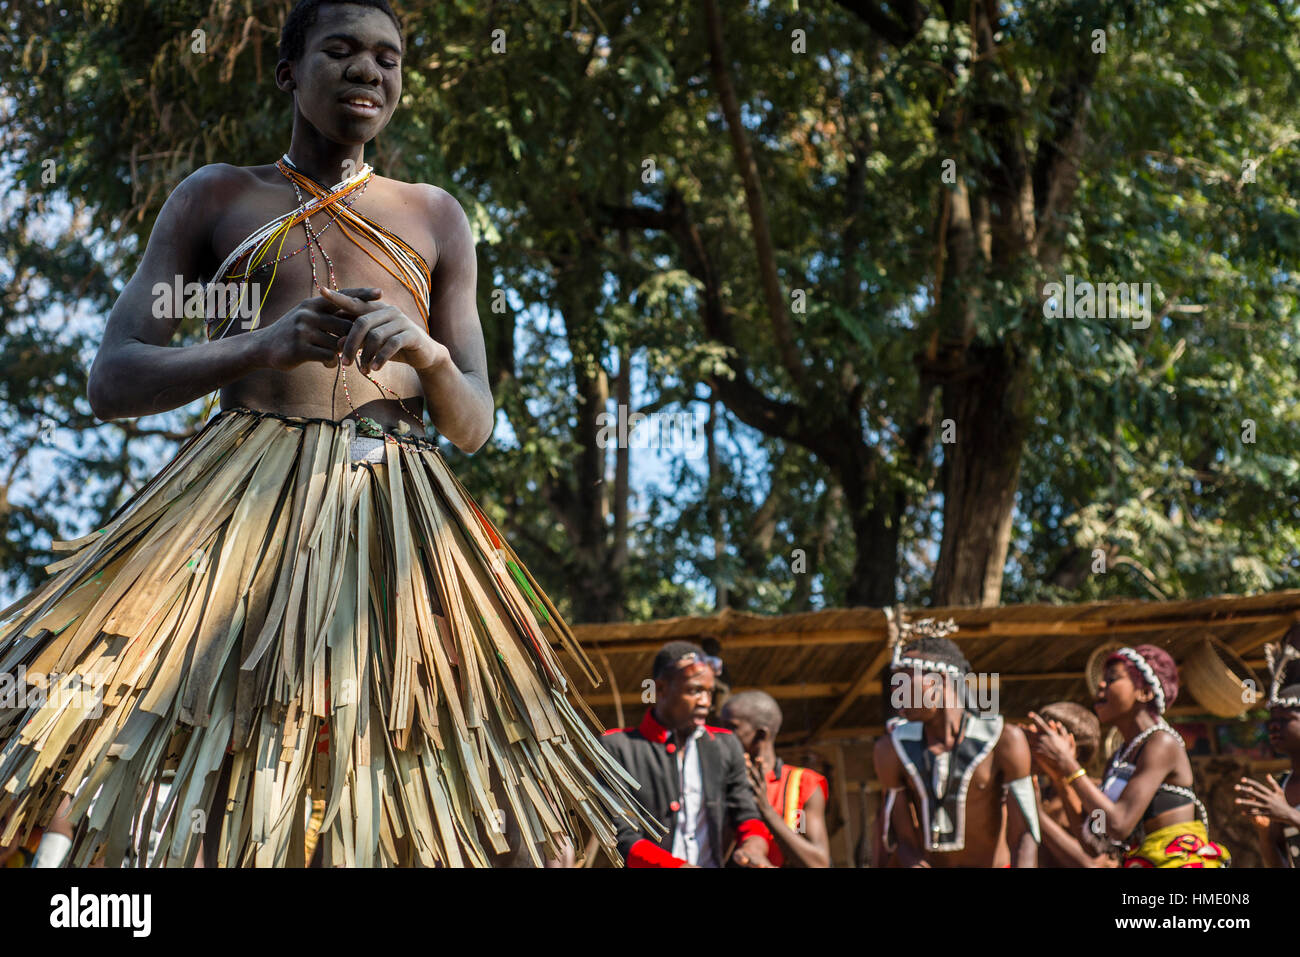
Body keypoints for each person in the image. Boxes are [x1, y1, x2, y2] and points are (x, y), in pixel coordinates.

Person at [0, 0, 657, 867]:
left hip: (401, 505)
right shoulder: (221, 197)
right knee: (203, 730)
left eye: (387, 59)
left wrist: (425, 352)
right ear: (287, 72)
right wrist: (259, 343)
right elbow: (113, 377)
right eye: (340, 51)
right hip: (240, 507)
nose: (367, 71)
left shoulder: (432, 215)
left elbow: (474, 424)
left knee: (434, 744)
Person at [1030, 644, 1229, 868]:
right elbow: (1095, 843)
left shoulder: (1162, 743)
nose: (1101, 685)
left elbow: (1119, 823)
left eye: (1113, 678)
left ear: (1144, 692)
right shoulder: (1119, 758)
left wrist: (1067, 763)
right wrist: (1059, 776)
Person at [599, 641, 775, 867]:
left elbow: (746, 814)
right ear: (660, 689)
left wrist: (754, 848)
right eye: (695, 690)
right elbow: (621, 834)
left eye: (710, 692)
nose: (706, 702)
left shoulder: (726, 745)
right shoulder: (617, 747)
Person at [873, 629, 1039, 867]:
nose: (895, 691)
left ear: (939, 681)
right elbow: (903, 839)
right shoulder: (891, 748)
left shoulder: (1003, 740)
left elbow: (1024, 834)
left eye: (904, 680)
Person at [719, 690, 831, 867]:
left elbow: (818, 863)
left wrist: (765, 810)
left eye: (731, 728)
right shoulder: (715, 781)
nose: (721, 736)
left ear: (761, 735)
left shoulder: (802, 784)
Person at [1234, 641, 1300, 867]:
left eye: (1285, 720)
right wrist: (1265, 833)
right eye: (1272, 720)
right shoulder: (1282, 786)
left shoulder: (1281, 802)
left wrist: (1289, 815)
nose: (1273, 726)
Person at [1023, 701, 1112, 867]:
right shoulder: (1040, 792)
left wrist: (1035, 814)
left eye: (1042, 740)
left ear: (1070, 747)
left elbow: (1100, 862)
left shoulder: (1100, 797)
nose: (1032, 747)